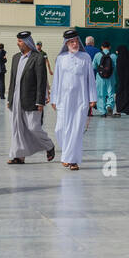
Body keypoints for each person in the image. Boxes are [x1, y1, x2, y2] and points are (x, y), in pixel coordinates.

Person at [6, 31, 54, 165]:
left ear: (27, 42)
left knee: (33, 127)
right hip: (16, 99)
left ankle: (49, 145)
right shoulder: (16, 58)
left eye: (20, 41)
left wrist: (40, 101)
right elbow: (12, 79)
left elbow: (41, 81)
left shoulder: (38, 58)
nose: (18, 43)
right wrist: (9, 99)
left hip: (32, 99)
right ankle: (18, 155)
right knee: (17, 127)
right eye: (18, 41)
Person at [51, 30, 95, 171]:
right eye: (71, 42)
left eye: (76, 41)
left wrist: (92, 98)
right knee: (60, 129)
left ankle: (73, 160)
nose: (74, 44)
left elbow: (90, 79)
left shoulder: (86, 57)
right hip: (63, 100)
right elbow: (56, 80)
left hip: (81, 100)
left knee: (76, 130)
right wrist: (53, 99)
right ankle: (67, 154)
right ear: (66, 43)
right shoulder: (61, 59)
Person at [93, 40, 118, 116]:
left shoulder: (97, 55)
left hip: (100, 78)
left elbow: (93, 66)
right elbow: (115, 67)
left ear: (101, 47)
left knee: (101, 94)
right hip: (110, 77)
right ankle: (109, 106)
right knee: (110, 93)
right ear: (109, 47)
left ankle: (103, 112)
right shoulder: (113, 56)